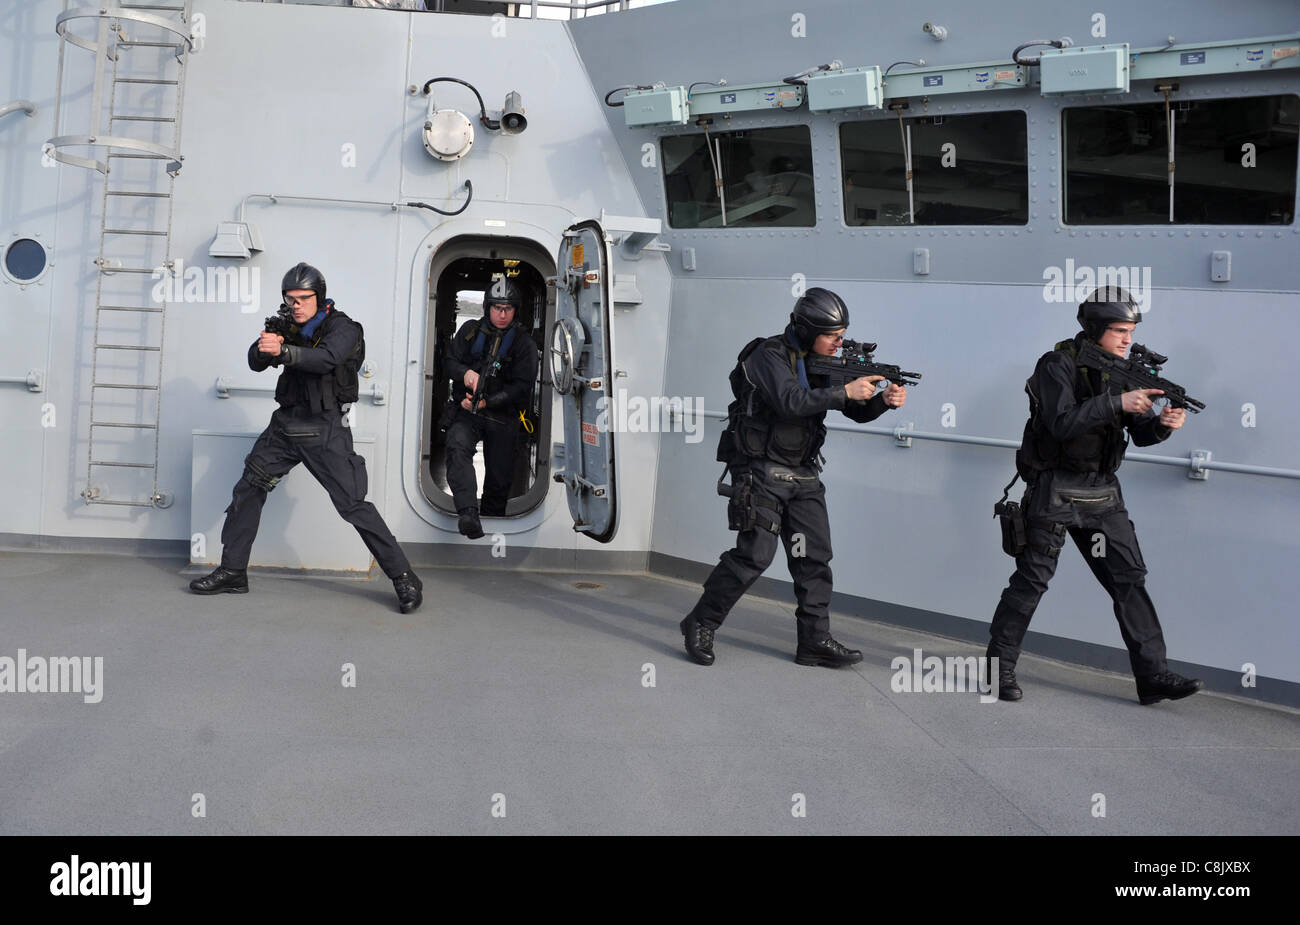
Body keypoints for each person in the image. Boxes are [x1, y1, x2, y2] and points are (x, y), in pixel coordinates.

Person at [987, 286, 1202, 704]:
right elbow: (1062, 423)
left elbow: (1139, 435)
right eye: (1120, 330)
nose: (1128, 339)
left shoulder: (1122, 369)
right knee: (1031, 583)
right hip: (1056, 492)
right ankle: (998, 671)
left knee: (1128, 582)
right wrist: (1118, 400)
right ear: (1094, 329)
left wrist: (1162, 424)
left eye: (1132, 331)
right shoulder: (1057, 365)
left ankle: (1153, 675)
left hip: (1102, 496)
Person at [681, 287, 906, 667]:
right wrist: (844, 391)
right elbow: (790, 402)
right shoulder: (767, 355)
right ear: (805, 330)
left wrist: (880, 402)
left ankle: (814, 642)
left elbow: (854, 411)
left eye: (841, 336)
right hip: (760, 471)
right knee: (754, 556)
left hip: (802, 476)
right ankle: (700, 622)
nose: (839, 344)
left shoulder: (821, 363)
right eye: (832, 336)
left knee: (813, 559)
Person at [190, 263, 423, 613]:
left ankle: (404, 577)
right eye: (290, 298)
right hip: (284, 427)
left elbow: (327, 358)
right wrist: (266, 344)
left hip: (325, 429)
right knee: (248, 490)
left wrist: (284, 352)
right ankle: (233, 571)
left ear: (320, 297)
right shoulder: (286, 323)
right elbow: (256, 362)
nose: (296, 304)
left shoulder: (344, 328)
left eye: (303, 298)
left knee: (353, 505)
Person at [442, 276, 539, 539]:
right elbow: (449, 362)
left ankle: (492, 520)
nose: (502, 314)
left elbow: (522, 386)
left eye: (508, 309)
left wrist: (489, 401)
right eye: (497, 308)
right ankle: (468, 514)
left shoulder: (524, 344)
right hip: (467, 410)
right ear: (488, 308)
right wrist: (465, 376)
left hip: (502, 415)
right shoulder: (470, 332)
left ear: (515, 311)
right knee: (457, 446)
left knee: (499, 475)